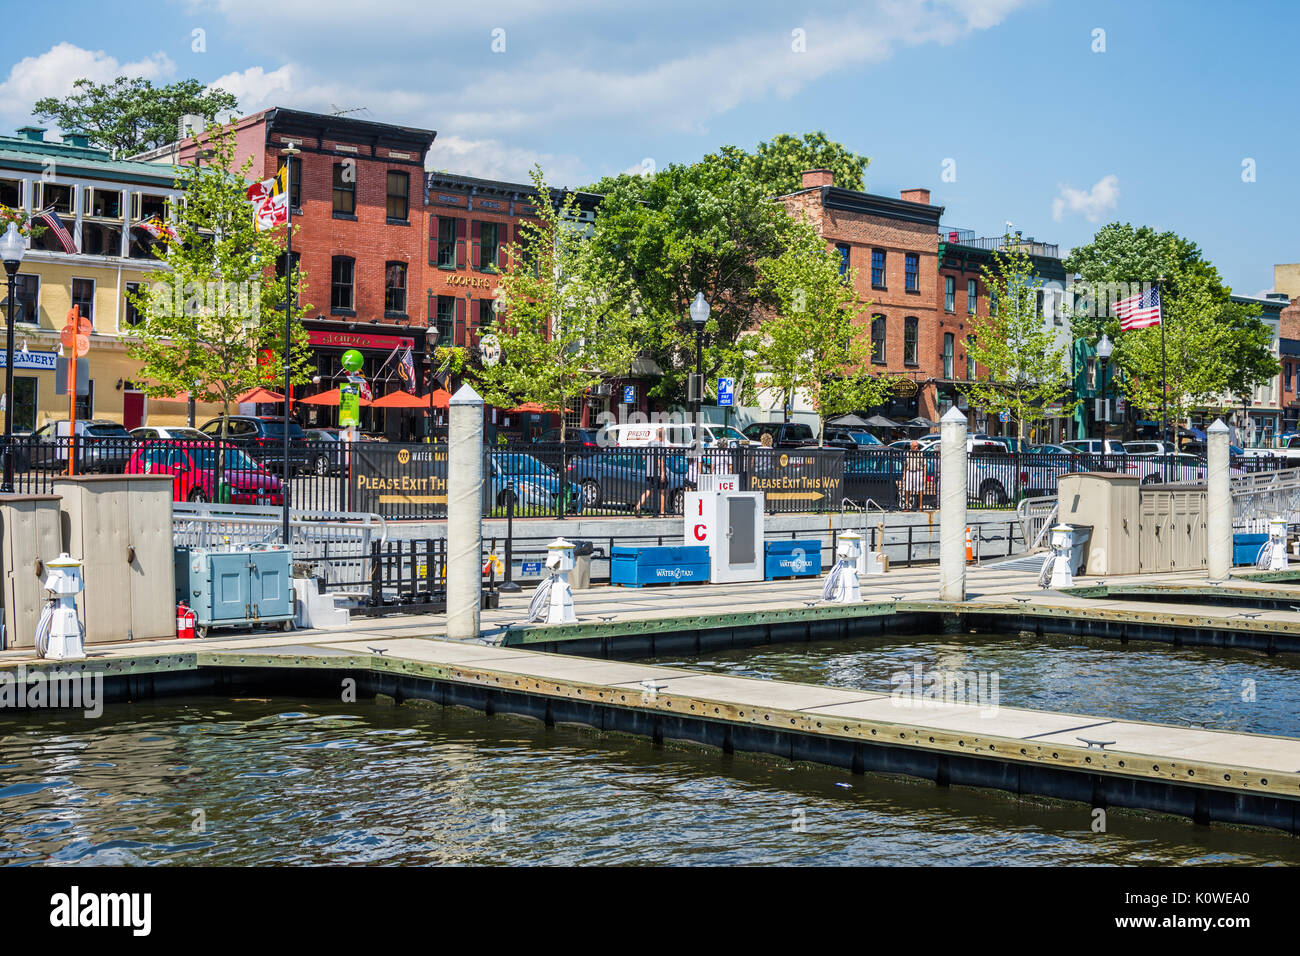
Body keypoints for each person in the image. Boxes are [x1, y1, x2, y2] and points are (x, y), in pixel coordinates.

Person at [635, 426, 667, 516]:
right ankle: (662, 512)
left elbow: (644, 457)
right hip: (656, 472)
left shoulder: (649, 443)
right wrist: (663, 473)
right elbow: (660, 460)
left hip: (649, 471)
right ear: (662, 436)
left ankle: (637, 506)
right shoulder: (660, 445)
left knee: (648, 491)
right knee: (662, 491)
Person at [898, 439, 925, 510]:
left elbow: (924, 465)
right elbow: (906, 465)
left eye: (917, 446)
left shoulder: (920, 453)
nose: (917, 448)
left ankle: (921, 505)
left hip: (918, 471)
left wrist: (924, 476)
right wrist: (904, 474)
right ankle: (907, 505)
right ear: (911, 447)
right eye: (915, 446)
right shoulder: (908, 453)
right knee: (907, 489)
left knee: (920, 489)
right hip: (910, 471)